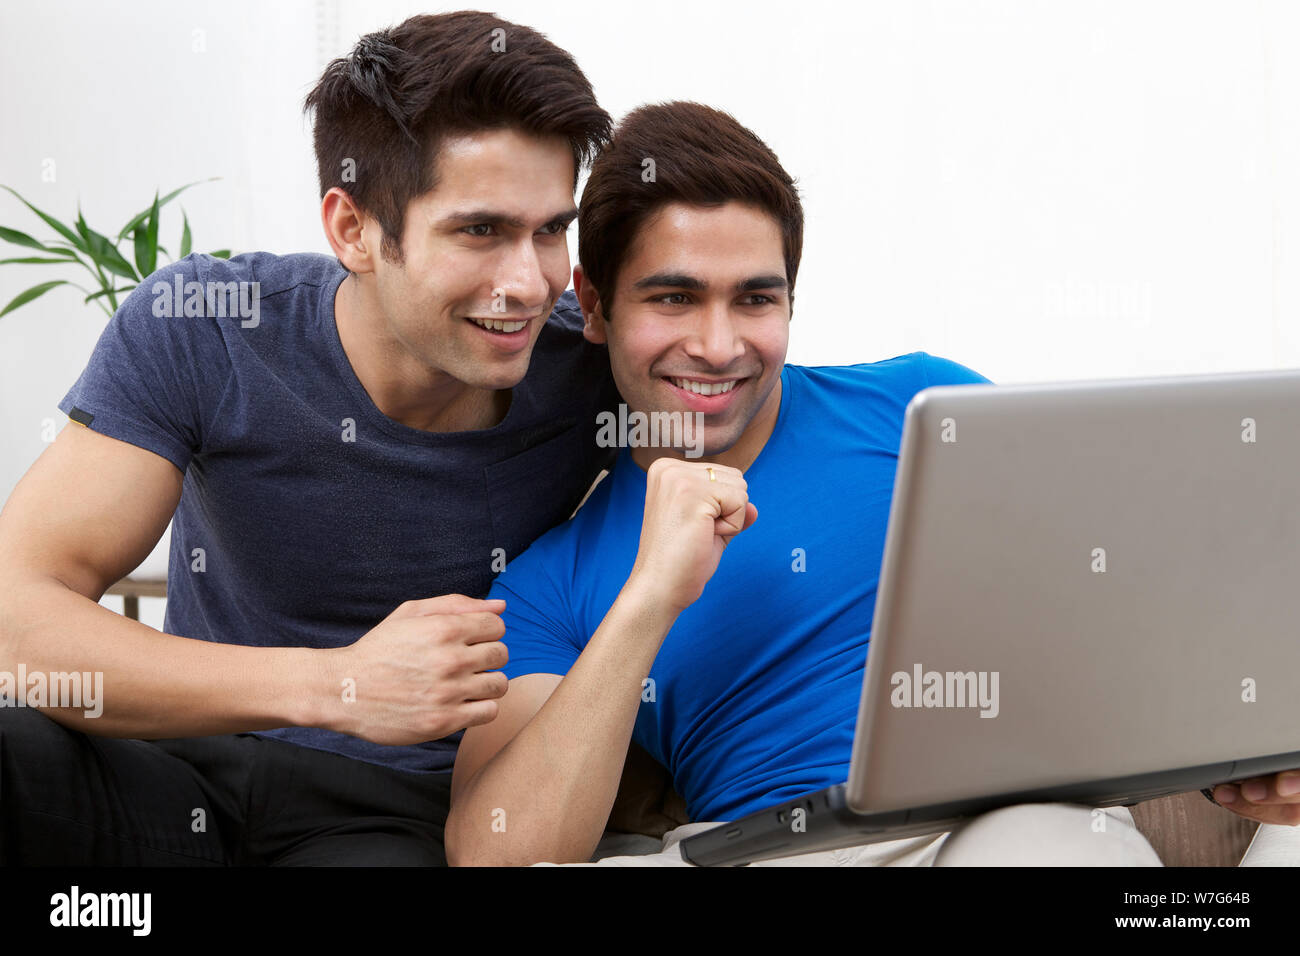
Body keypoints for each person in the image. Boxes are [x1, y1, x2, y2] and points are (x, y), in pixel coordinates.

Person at [445, 101, 1297, 867]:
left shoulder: (920, 406)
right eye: (673, 297)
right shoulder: (548, 580)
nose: (717, 344)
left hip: (1008, 825)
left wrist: (1254, 747)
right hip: (772, 849)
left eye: (755, 300)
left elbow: (1145, 592)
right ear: (593, 306)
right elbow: (500, 853)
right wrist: (650, 596)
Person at [0, 11, 619, 866]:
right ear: (353, 229)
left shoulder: (592, 373)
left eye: (550, 229)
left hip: (387, 815)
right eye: (480, 231)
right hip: (178, 769)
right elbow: (14, 625)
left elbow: (752, 417)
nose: (527, 280)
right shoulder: (208, 328)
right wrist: (338, 684)